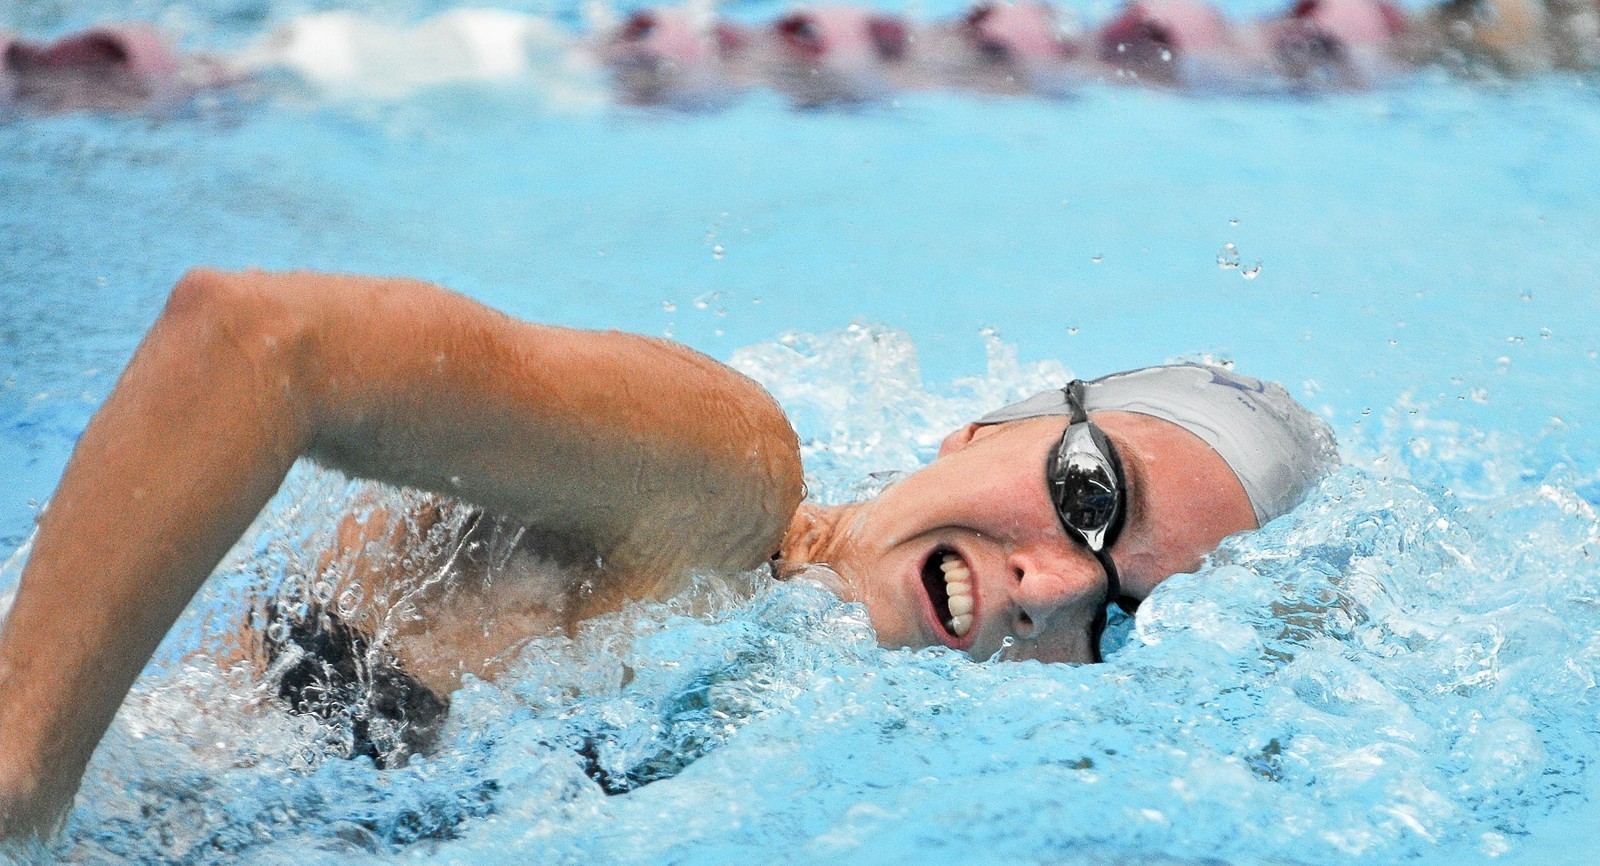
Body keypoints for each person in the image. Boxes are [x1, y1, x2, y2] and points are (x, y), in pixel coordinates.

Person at [0, 268, 1337, 843]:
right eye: (1089, 496)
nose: (1050, 585)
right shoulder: (723, 472)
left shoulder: (778, 730)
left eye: (1124, 617)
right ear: (986, 424)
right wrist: (24, 770)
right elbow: (254, 340)